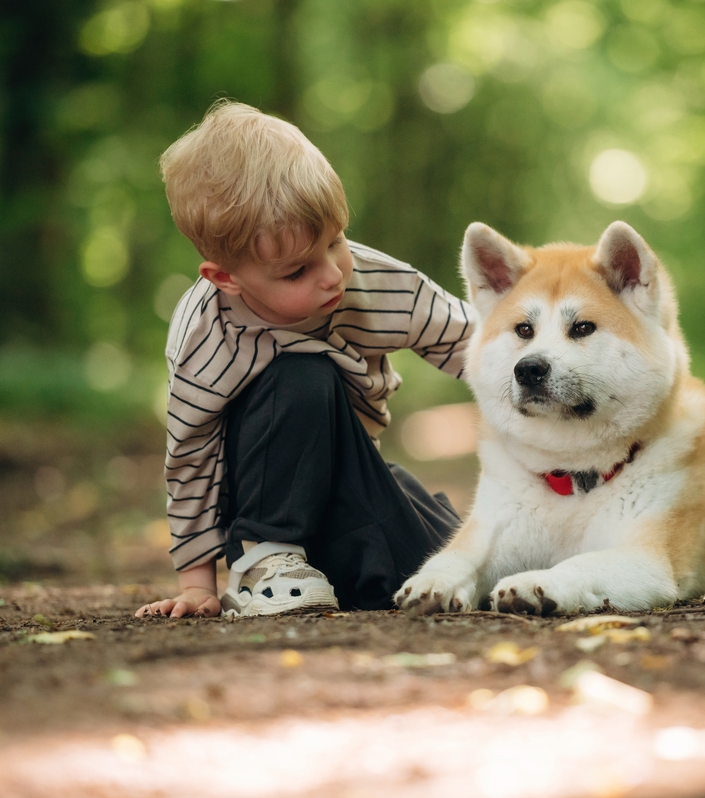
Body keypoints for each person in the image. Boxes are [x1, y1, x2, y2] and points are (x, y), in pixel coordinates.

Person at [135, 101, 474, 618]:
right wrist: (197, 584)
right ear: (226, 278)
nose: (332, 274)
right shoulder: (207, 336)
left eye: (335, 243)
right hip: (256, 499)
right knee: (301, 372)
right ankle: (266, 561)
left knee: (457, 570)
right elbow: (191, 457)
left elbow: (481, 346)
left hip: (349, 475)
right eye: (297, 272)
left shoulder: (375, 282)